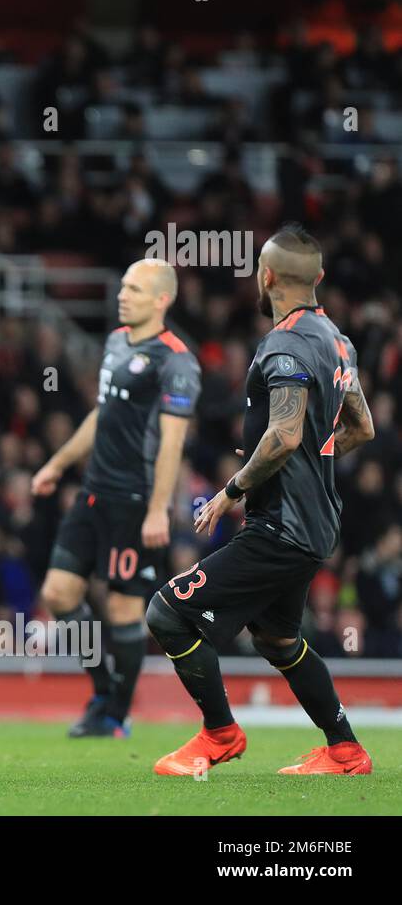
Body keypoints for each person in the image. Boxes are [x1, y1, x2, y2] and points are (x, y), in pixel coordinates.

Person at [150, 224, 374, 776]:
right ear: (317, 278)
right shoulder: (337, 340)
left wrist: (231, 491)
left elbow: (284, 435)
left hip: (282, 526)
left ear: (266, 276)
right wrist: (297, 461)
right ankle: (346, 751)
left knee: (169, 614)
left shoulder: (286, 344)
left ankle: (220, 734)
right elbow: (361, 427)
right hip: (316, 524)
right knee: (277, 639)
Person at [31, 259, 200, 736]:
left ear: (161, 300)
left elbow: (171, 442)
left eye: (134, 288)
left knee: (125, 609)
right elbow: (102, 416)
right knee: (58, 594)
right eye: (122, 285)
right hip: (92, 494)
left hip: (133, 499)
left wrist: (156, 509)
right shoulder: (114, 342)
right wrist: (57, 464)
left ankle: (114, 715)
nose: (121, 295)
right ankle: (104, 689)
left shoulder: (176, 361)